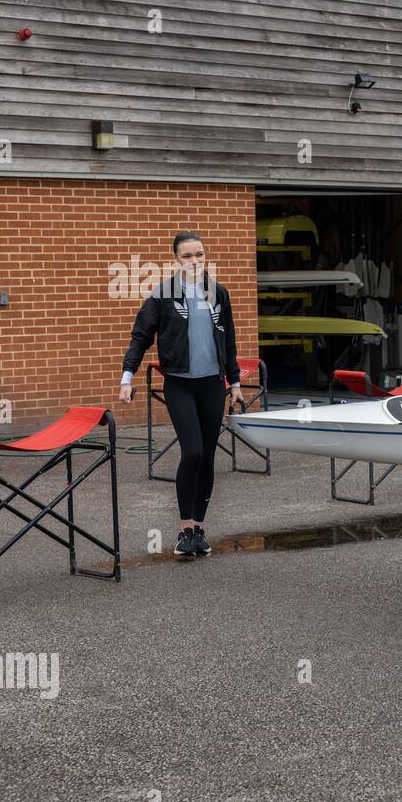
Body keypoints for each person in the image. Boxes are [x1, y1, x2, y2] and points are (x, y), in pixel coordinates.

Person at [120, 232, 244, 558]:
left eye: (199, 255)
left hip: (212, 385)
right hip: (180, 384)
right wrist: (127, 377)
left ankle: (199, 529)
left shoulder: (218, 293)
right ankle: (184, 528)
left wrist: (235, 385)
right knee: (192, 452)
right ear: (176, 258)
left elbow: (228, 342)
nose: (194, 261)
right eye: (187, 256)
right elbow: (140, 337)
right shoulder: (162, 295)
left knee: (207, 457)